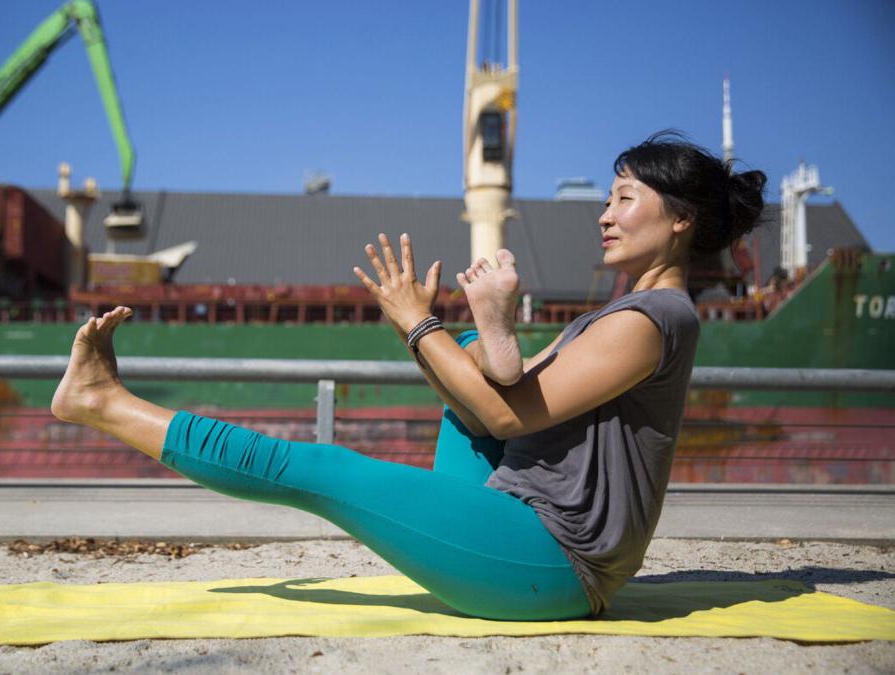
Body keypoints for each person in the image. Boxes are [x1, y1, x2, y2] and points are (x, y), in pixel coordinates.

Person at [51, 131, 766, 619]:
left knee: (321, 469)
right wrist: (449, 322)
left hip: (554, 562)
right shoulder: (636, 310)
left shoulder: (654, 319)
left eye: (623, 198)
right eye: (607, 197)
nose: (604, 214)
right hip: (524, 527)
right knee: (459, 352)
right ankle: (100, 398)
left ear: (680, 219)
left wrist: (418, 324)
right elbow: (503, 389)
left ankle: (101, 403)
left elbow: (511, 416)